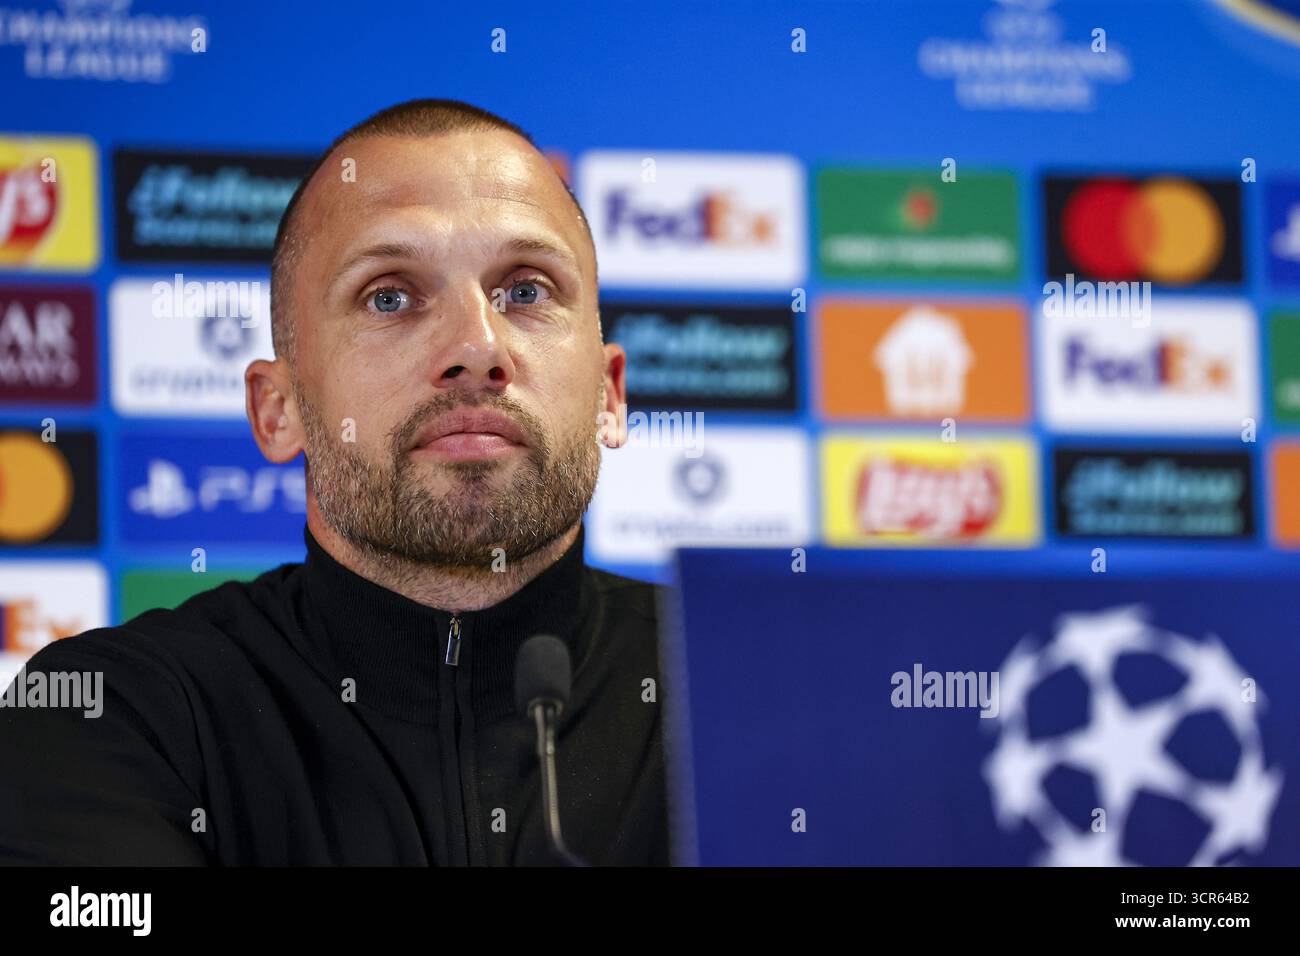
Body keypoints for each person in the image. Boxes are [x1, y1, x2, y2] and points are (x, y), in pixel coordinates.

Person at [0, 98, 670, 866]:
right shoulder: (112, 714)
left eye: (525, 290)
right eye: (389, 296)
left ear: (609, 396)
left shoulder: (763, 695)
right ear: (278, 410)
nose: (478, 347)